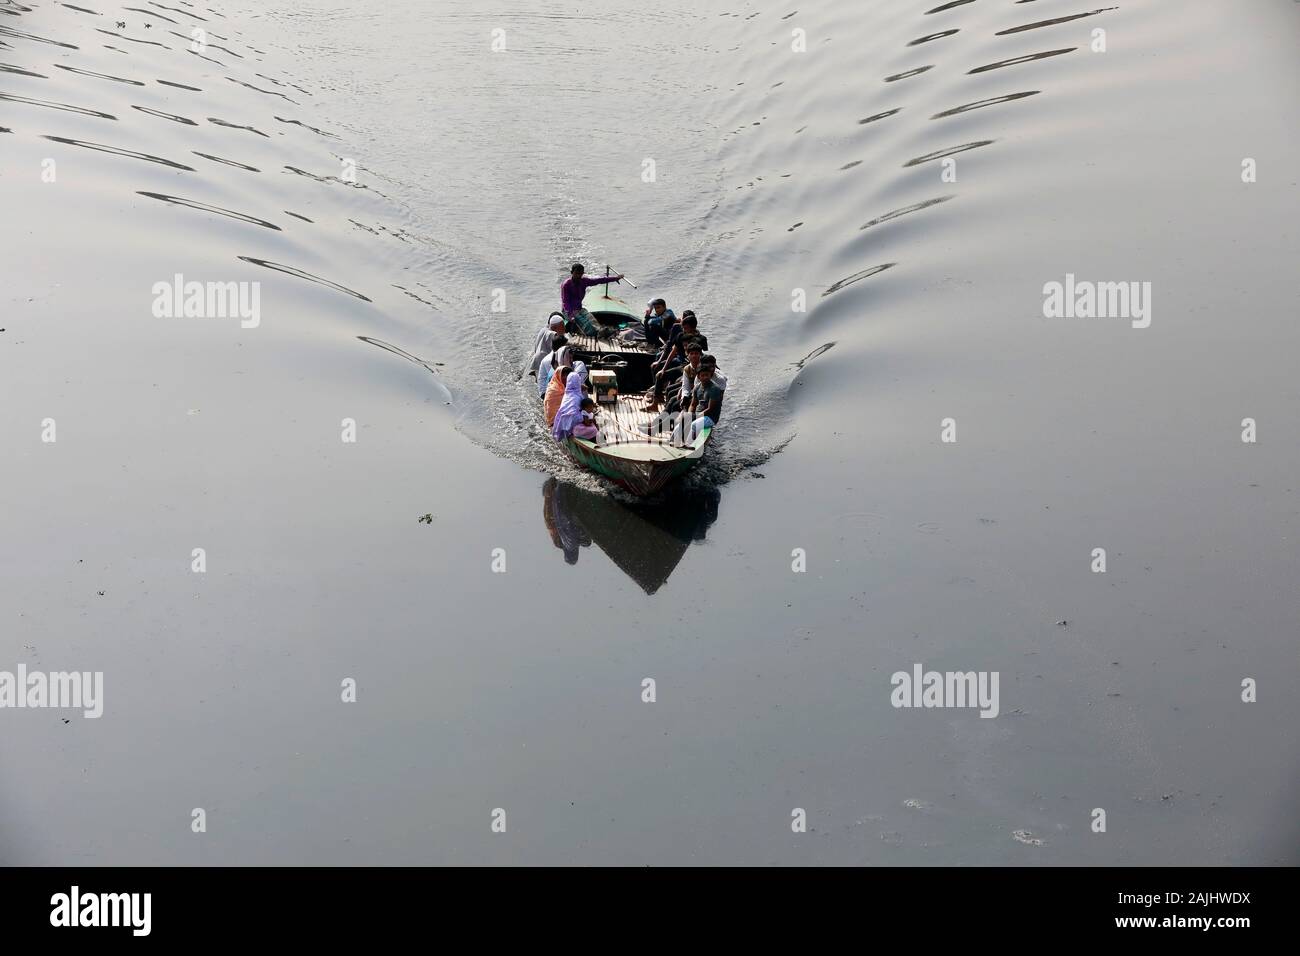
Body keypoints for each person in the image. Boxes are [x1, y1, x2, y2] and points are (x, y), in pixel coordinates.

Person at [646, 313, 707, 412]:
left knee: (671, 390)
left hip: (690, 367)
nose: (683, 330)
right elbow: (673, 351)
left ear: (693, 328)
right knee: (660, 375)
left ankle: (668, 412)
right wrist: (663, 369)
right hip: (683, 364)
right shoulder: (681, 336)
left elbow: (703, 356)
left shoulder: (700, 340)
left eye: (686, 328)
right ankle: (656, 403)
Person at [561, 264, 622, 337]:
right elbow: (565, 302)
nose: (579, 276)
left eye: (581, 273)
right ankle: (593, 333)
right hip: (568, 311)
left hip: (579, 308)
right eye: (577, 273)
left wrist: (615, 278)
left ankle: (600, 331)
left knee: (591, 319)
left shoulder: (583, 281)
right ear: (572, 272)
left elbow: (599, 280)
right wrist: (570, 315)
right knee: (586, 326)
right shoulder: (566, 285)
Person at [673, 363, 723, 447]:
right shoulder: (697, 387)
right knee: (680, 424)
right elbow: (693, 404)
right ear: (698, 377)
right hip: (699, 414)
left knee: (694, 425)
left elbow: (710, 409)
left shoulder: (715, 389)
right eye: (702, 375)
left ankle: (688, 445)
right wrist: (689, 414)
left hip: (710, 417)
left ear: (710, 375)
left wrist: (696, 416)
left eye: (707, 375)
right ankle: (673, 441)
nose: (705, 377)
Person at [552, 361, 589, 440]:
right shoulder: (576, 397)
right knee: (593, 430)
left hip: (563, 422)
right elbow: (573, 417)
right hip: (570, 425)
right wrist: (584, 418)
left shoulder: (567, 394)